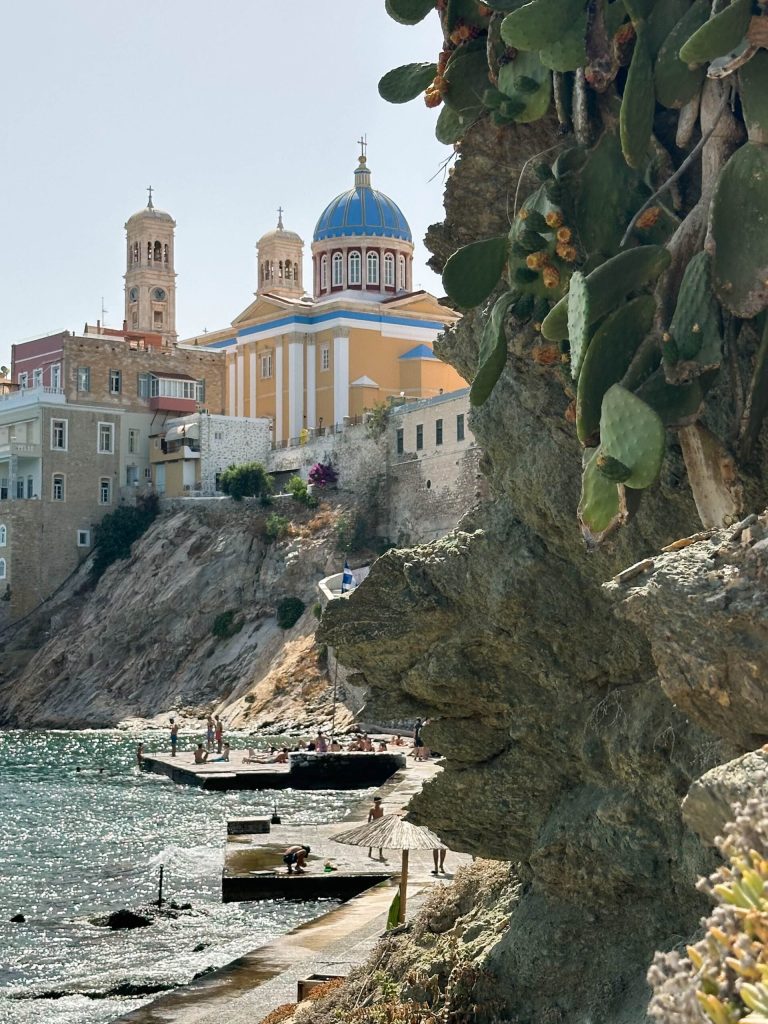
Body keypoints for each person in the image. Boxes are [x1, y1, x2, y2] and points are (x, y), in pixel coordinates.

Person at [367, 796, 385, 861]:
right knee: (372, 838)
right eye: (378, 802)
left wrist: (384, 825)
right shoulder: (372, 809)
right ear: (375, 802)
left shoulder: (382, 809)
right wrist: (368, 826)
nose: (380, 803)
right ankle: (370, 851)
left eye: (380, 801)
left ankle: (380, 854)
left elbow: (382, 817)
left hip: (380, 825)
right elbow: (369, 818)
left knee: (381, 839)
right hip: (374, 825)